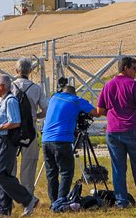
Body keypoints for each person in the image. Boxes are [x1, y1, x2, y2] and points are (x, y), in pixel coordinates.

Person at [97, 56, 136, 208]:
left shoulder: (108, 85)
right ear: (126, 68)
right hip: (132, 129)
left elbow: (100, 110)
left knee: (118, 168)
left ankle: (121, 201)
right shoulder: (132, 85)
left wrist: (113, 113)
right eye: (134, 68)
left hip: (113, 130)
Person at [0, 75, 39, 218]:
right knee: (1, 176)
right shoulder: (3, 101)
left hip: (6, 141)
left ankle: (28, 199)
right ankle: (3, 210)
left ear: (2, 87)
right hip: (0, 140)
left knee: (2, 175)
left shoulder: (10, 101)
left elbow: (15, 122)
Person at [41, 83, 97, 211]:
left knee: (51, 172)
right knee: (66, 171)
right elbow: (95, 112)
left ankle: (53, 201)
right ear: (74, 93)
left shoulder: (54, 97)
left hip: (46, 139)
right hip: (62, 139)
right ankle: (61, 202)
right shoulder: (76, 100)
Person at [11, 58, 48, 195]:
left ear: (16, 70)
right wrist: (35, 116)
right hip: (30, 128)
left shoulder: (10, 87)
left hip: (12, 128)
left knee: (10, 162)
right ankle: (27, 195)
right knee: (29, 163)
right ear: (30, 71)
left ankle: (11, 193)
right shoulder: (36, 88)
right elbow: (45, 110)